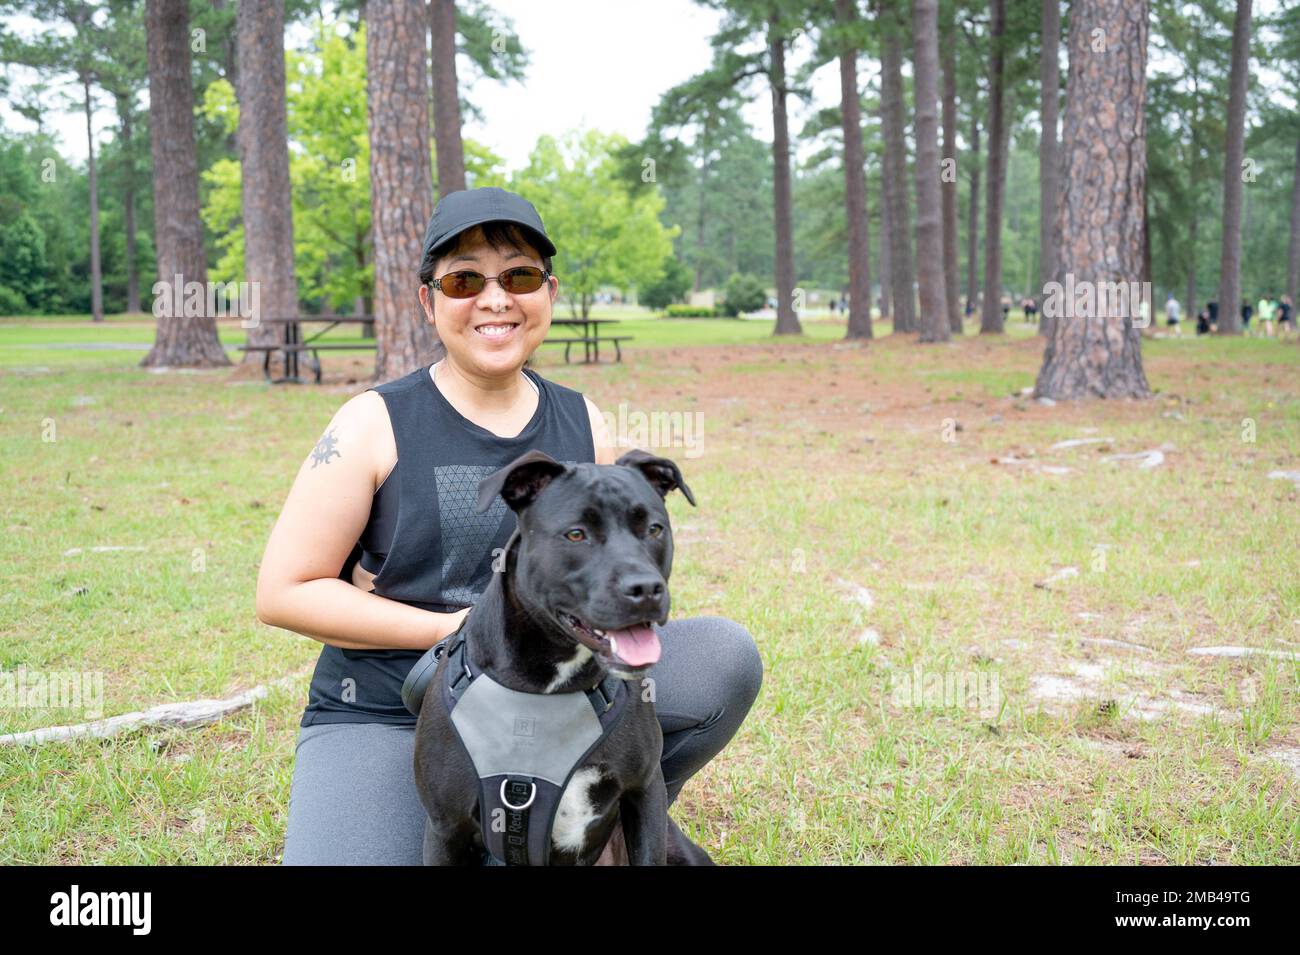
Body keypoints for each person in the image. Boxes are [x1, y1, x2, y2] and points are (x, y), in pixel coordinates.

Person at [257, 186, 764, 865]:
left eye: (519, 276)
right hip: (392, 707)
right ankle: (490, 810)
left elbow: (608, 560)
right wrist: (449, 630)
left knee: (725, 657)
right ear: (428, 301)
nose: (495, 300)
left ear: (548, 293)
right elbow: (284, 590)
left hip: (557, 695)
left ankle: (582, 806)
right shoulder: (371, 423)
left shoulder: (584, 421)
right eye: (466, 279)